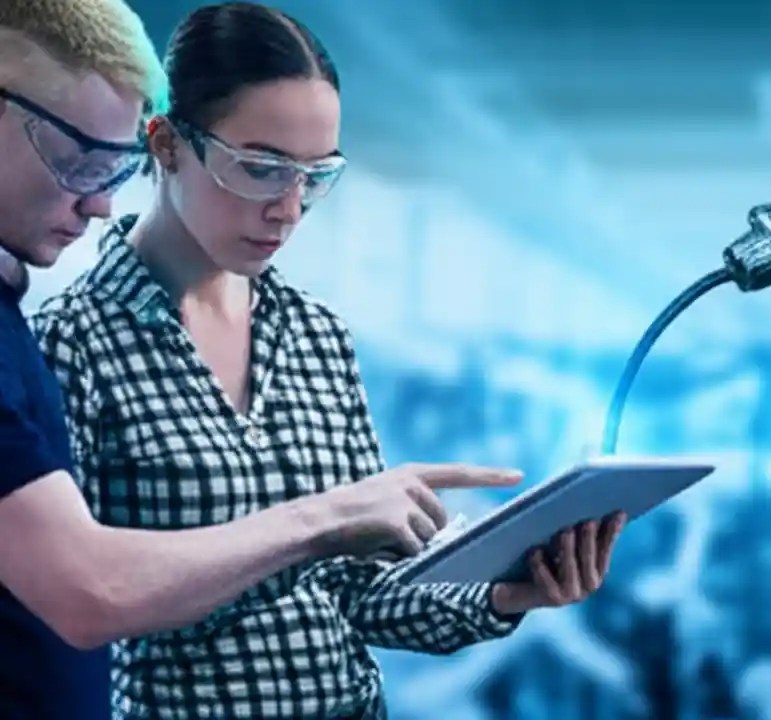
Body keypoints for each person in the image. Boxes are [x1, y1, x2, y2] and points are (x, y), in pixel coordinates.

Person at [32, 3, 626, 718]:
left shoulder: (318, 335)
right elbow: (85, 605)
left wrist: (503, 593)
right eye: (260, 168)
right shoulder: (71, 346)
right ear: (164, 144)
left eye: (315, 176)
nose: (289, 208)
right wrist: (321, 517)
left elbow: (357, 594)